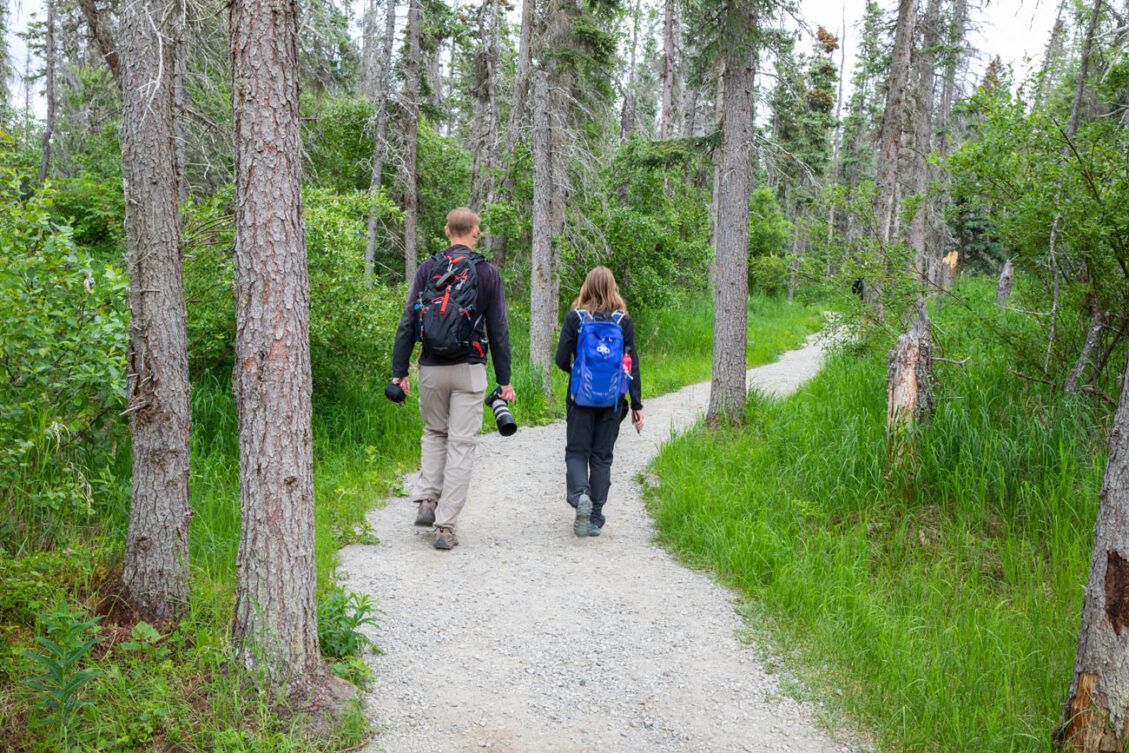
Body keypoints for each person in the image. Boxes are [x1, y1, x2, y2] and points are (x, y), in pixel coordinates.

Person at [391, 208, 514, 550]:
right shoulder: (487, 272)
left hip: (431, 368)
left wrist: (399, 372)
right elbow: (499, 329)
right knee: (461, 444)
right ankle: (445, 527)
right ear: (475, 232)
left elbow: (408, 322)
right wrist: (504, 381)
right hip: (469, 370)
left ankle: (427, 499)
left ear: (447, 231)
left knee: (434, 432)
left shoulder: (428, 268)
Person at [554, 267, 644, 538]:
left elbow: (561, 359)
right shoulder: (622, 321)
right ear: (613, 288)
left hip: (580, 399)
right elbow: (631, 366)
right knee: (602, 457)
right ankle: (594, 517)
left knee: (577, 452)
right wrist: (636, 405)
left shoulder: (576, 318)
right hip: (612, 402)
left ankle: (580, 495)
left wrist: (578, 374)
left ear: (587, 287)